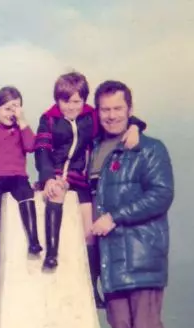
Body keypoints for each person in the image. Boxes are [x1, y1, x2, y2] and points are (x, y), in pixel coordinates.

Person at [89, 80, 194, 328]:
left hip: (140, 250)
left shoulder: (149, 149)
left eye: (117, 109)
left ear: (129, 109)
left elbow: (161, 194)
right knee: (121, 323)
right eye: (105, 109)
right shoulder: (95, 149)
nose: (111, 115)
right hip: (109, 255)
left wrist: (116, 217)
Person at [33, 71, 147, 308]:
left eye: (77, 101)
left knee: (89, 231)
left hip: (79, 177)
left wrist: (135, 128)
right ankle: (51, 255)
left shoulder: (90, 117)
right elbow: (42, 150)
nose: (71, 107)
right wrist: (47, 179)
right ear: (57, 100)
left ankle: (92, 287)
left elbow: (121, 122)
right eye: (65, 101)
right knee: (56, 196)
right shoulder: (49, 119)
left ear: (84, 100)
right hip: (56, 175)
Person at [0, 86, 42, 283]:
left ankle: (34, 241)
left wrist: (23, 122)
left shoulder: (21, 131)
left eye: (16, 108)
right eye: (7, 108)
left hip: (17, 176)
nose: (11, 113)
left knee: (26, 194)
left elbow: (31, 146)